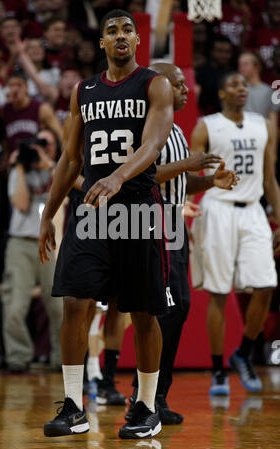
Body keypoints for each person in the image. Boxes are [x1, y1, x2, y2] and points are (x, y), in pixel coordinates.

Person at [39, 9, 174, 439]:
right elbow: (70, 159)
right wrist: (48, 212)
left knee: (143, 310)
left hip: (136, 207)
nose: (121, 35)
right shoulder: (85, 89)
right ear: (102, 43)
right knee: (74, 302)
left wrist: (118, 176)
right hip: (92, 207)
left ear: (137, 41)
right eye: (112, 30)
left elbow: (153, 142)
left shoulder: (155, 83)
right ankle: (75, 406)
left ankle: (146, 406)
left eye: (128, 30)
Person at [104, 63, 238, 424]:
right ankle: (142, 396)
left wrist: (210, 181)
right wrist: (186, 165)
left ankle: (156, 396)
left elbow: (177, 183)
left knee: (178, 309)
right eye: (177, 84)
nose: (185, 90)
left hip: (174, 222)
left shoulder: (175, 128)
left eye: (184, 85)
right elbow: (145, 176)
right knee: (160, 310)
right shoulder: (145, 128)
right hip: (151, 223)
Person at [190, 71, 280, 395]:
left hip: (253, 209)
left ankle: (242, 353)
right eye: (233, 85)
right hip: (217, 209)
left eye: (244, 84)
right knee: (218, 292)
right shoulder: (206, 126)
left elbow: (270, 179)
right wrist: (186, 208)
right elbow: (189, 174)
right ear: (221, 93)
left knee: (266, 286)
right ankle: (217, 370)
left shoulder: (264, 125)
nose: (241, 88)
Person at [1, 133, 63, 373]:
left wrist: (48, 165)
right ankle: (18, 357)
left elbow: (68, 186)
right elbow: (22, 204)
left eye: (46, 143)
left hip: (51, 243)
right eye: (37, 143)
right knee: (15, 305)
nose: (40, 147)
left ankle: (60, 358)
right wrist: (18, 166)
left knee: (57, 305)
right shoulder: (19, 172)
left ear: (53, 148)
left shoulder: (59, 169)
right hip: (21, 243)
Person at [2, 70, 63, 157]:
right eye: (11, 85)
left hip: (39, 162)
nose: (15, 89)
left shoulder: (42, 108)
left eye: (19, 85)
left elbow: (60, 135)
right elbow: (4, 140)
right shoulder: (4, 110)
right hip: (16, 162)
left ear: (26, 87)